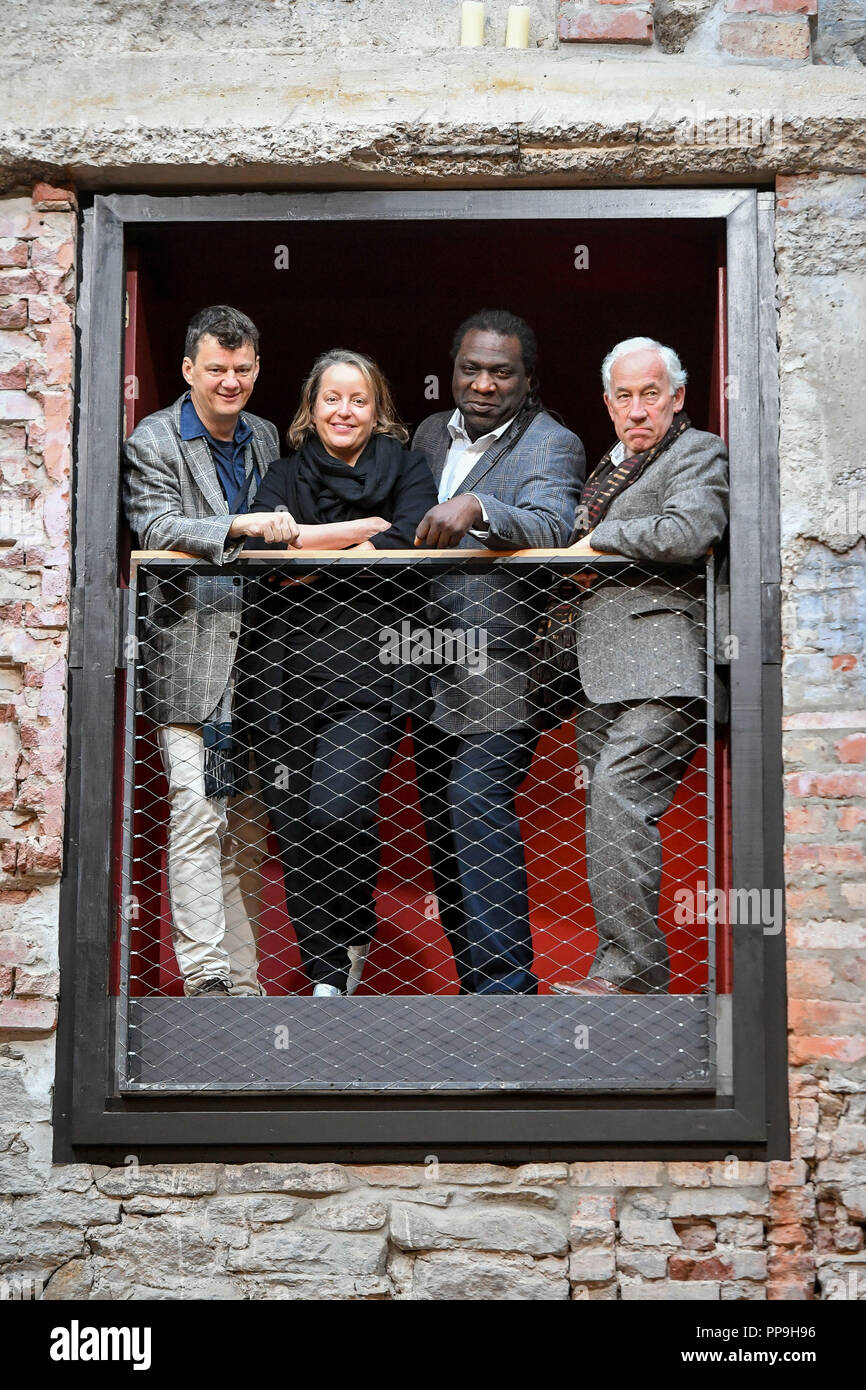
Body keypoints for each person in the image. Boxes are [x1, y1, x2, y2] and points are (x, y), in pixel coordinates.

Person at [241, 349, 438, 997]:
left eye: (358, 399)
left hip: (373, 674)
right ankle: (327, 977)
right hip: (284, 679)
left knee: (337, 809)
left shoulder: (408, 467)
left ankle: (353, 930)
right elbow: (260, 550)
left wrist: (309, 549)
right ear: (311, 408)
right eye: (332, 398)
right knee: (295, 828)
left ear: (377, 409)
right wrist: (359, 538)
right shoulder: (284, 472)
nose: (344, 410)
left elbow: (410, 541)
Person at [122, 304, 300, 997]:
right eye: (216, 369)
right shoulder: (154, 438)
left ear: (256, 368)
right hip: (189, 657)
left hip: (258, 660)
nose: (230, 382)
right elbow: (156, 522)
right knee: (198, 810)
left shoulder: (262, 435)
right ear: (190, 368)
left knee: (249, 828)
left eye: (242, 369)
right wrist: (242, 524)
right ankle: (205, 980)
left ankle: (245, 984)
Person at [412, 309, 585, 994]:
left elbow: (551, 524)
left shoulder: (552, 442)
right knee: (443, 828)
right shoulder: (428, 434)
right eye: (471, 369)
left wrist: (479, 506)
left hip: (503, 664)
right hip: (420, 663)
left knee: (475, 802)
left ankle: (510, 987)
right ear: (452, 370)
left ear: (527, 378)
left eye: (500, 372)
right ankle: (474, 989)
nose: (483, 384)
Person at [552, 336, 728, 996]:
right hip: (600, 673)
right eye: (623, 396)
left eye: (650, 394)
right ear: (607, 403)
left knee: (618, 799)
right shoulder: (610, 468)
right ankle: (628, 967)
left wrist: (600, 539)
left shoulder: (698, 451)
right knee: (609, 812)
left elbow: (691, 531)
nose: (636, 408)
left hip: (664, 665)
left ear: (677, 396)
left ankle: (633, 970)